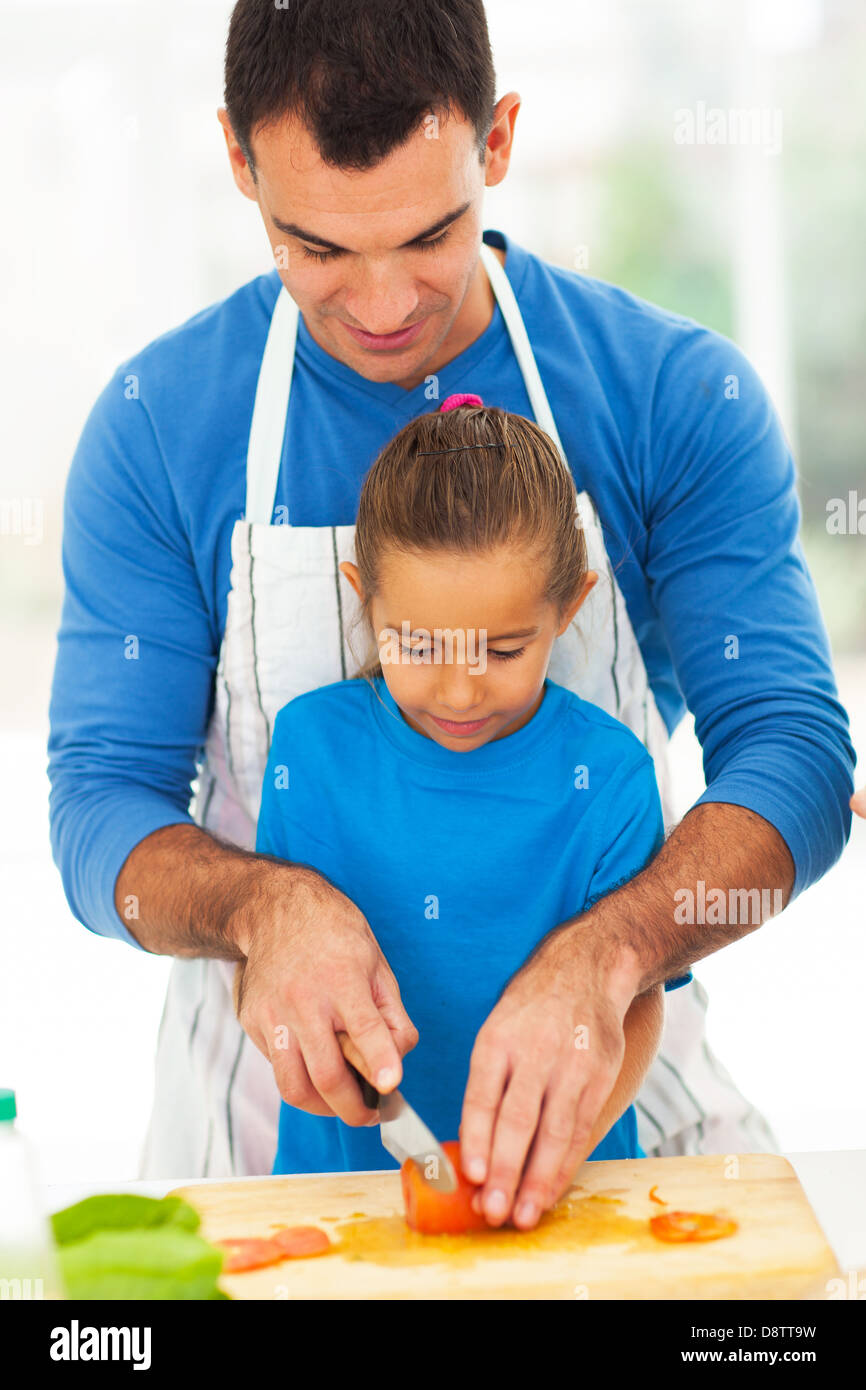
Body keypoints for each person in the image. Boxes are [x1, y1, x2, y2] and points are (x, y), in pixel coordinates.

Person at [47, 0, 855, 1227]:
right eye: (313, 246)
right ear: (235, 161)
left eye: (429, 232)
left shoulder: (670, 395)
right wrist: (262, 908)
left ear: (500, 140)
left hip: (628, 1124)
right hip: (261, 1163)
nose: (379, 304)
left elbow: (793, 754)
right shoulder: (160, 426)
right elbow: (100, 804)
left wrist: (609, 954)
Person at [260, 395, 693, 1209]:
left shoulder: (612, 775)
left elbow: (634, 1011)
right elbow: (280, 968)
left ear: (569, 607)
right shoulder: (309, 753)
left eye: (503, 649)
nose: (460, 691)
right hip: (342, 1201)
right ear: (364, 599)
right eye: (418, 645)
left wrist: (544, 1159)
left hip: (563, 1198)